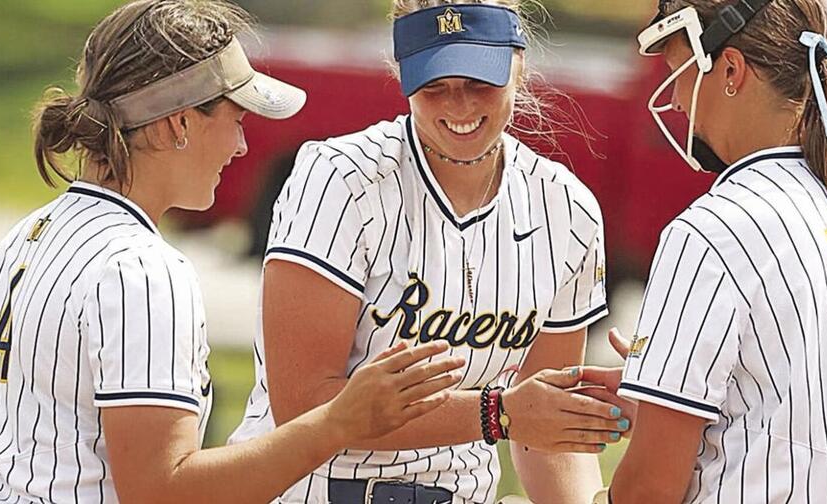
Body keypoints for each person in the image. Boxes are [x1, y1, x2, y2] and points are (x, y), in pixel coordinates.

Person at [0, 1, 466, 502]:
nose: (241, 146)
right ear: (179, 124)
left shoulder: (23, 239)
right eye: (236, 119)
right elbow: (162, 491)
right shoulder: (141, 271)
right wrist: (338, 423)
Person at [228, 1, 636, 503]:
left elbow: (545, 429)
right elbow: (306, 407)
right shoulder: (339, 178)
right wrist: (497, 413)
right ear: (401, 74)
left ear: (518, 65)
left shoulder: (566, 207)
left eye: (479, 81)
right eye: (434, 85)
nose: (459, 106)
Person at [591, 0, 827, 502]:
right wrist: (673, 396)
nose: (676, 99)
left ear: (730, 69)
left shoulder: (713, 227)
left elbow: (649, 490)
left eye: (680, 72)